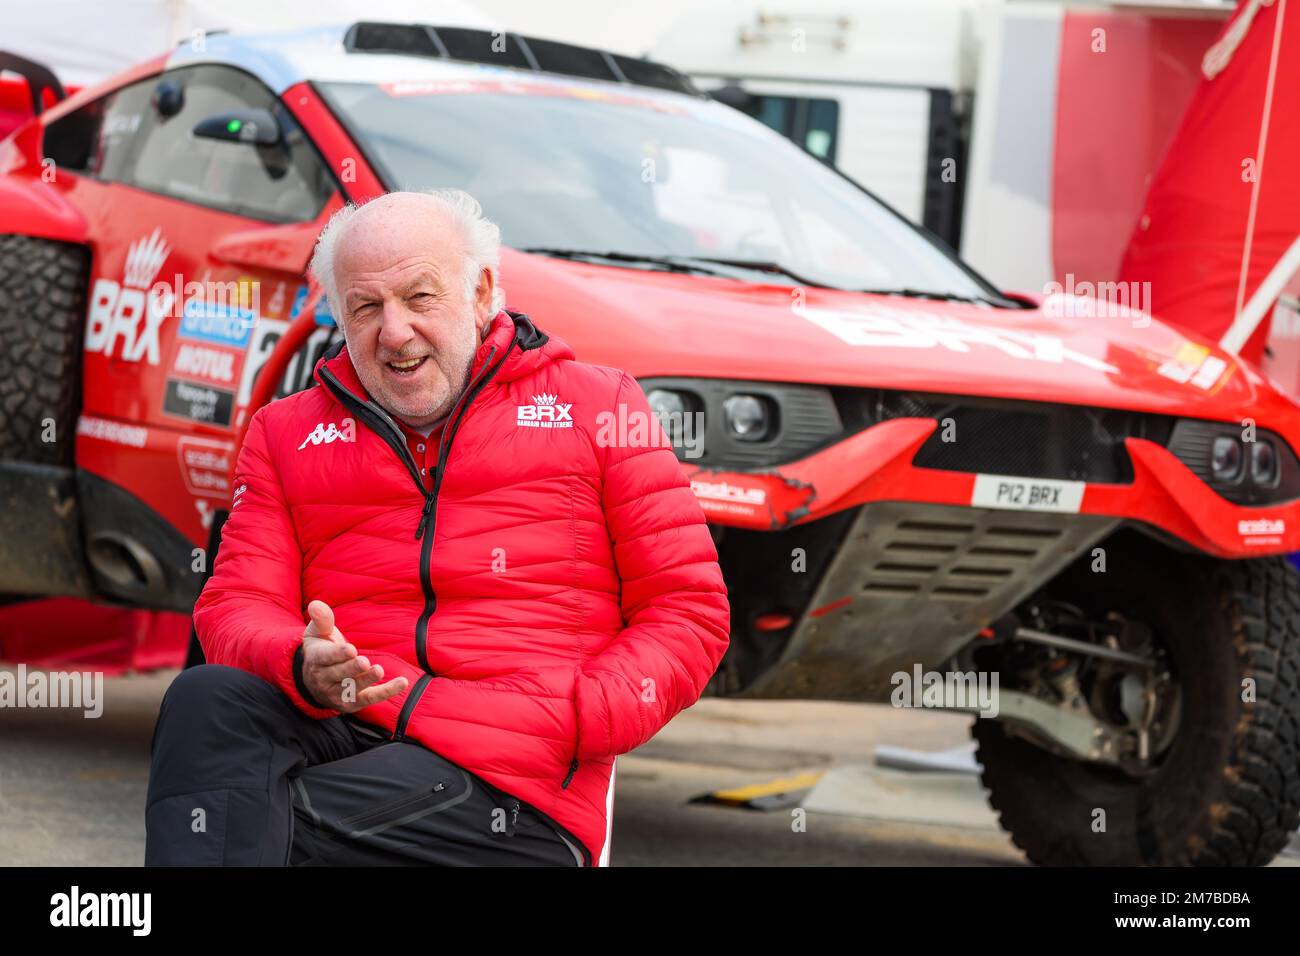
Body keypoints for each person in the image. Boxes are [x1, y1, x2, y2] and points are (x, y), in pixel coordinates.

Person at [144, 189, 730, 866]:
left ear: (482, 292)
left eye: (419, 298)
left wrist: (577, 719)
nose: (394, 332)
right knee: (208, 702)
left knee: (239, 821)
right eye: (366, 307)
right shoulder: (286, 432)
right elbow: (234, 606)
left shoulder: (602, 406)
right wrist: (301, 665)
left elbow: (687, 612)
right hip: (347, 720)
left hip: (510, 775)